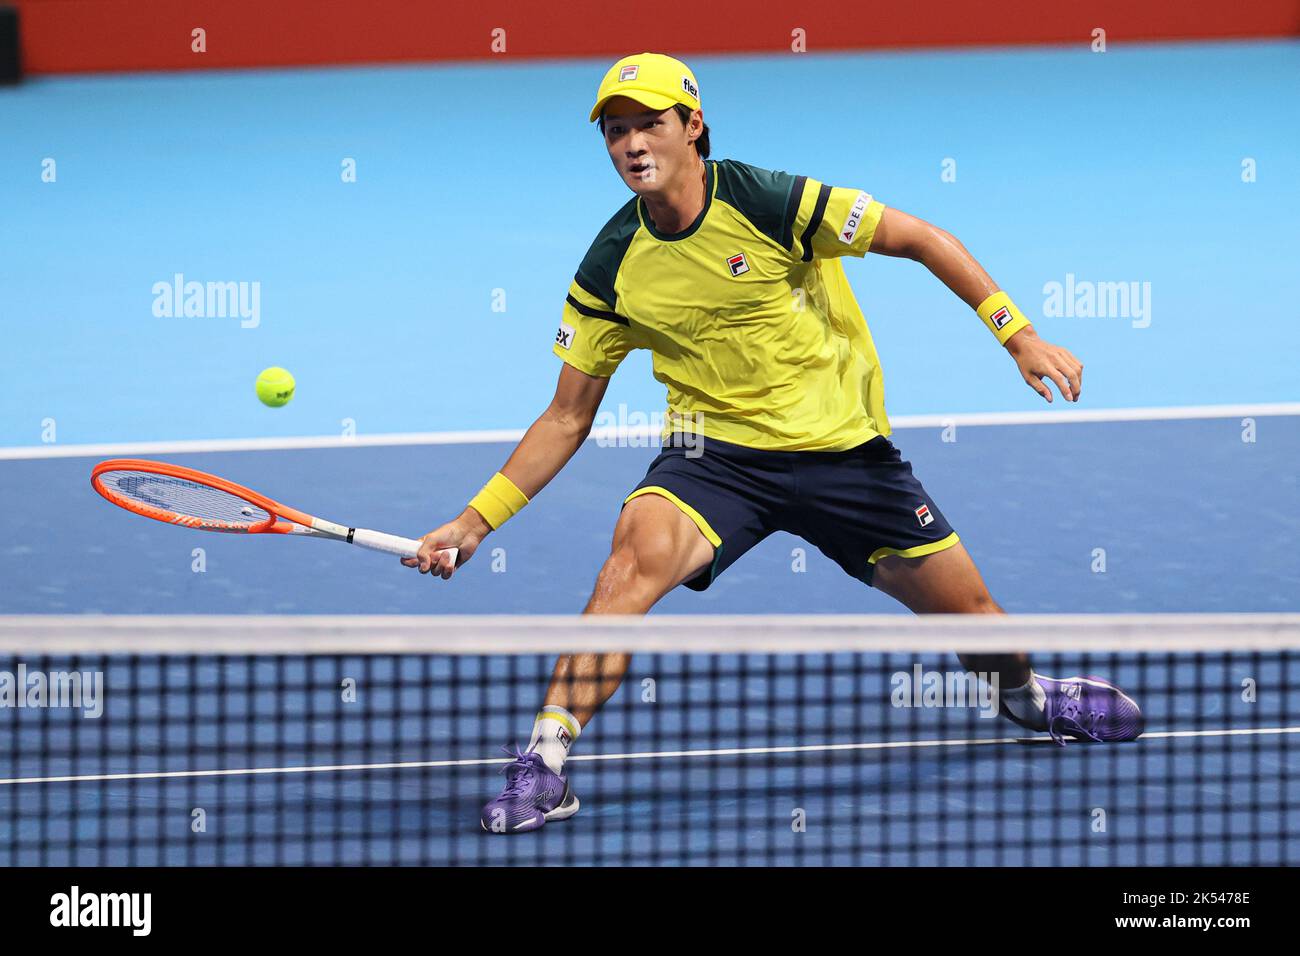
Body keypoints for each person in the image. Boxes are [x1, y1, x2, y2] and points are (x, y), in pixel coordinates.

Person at [403, 53, 1143, 834]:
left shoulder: (770, 201)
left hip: (846, 454)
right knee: (626, 568)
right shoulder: (612, 264)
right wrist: (475, 519)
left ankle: (1029, 699)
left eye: (650, 123)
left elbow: (923, 238)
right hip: (714, 459)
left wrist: (1017, 336)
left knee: (973, 617)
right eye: (615, 131)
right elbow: (566, 416)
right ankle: (546, 762)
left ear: (693, 126)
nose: (631, 144)